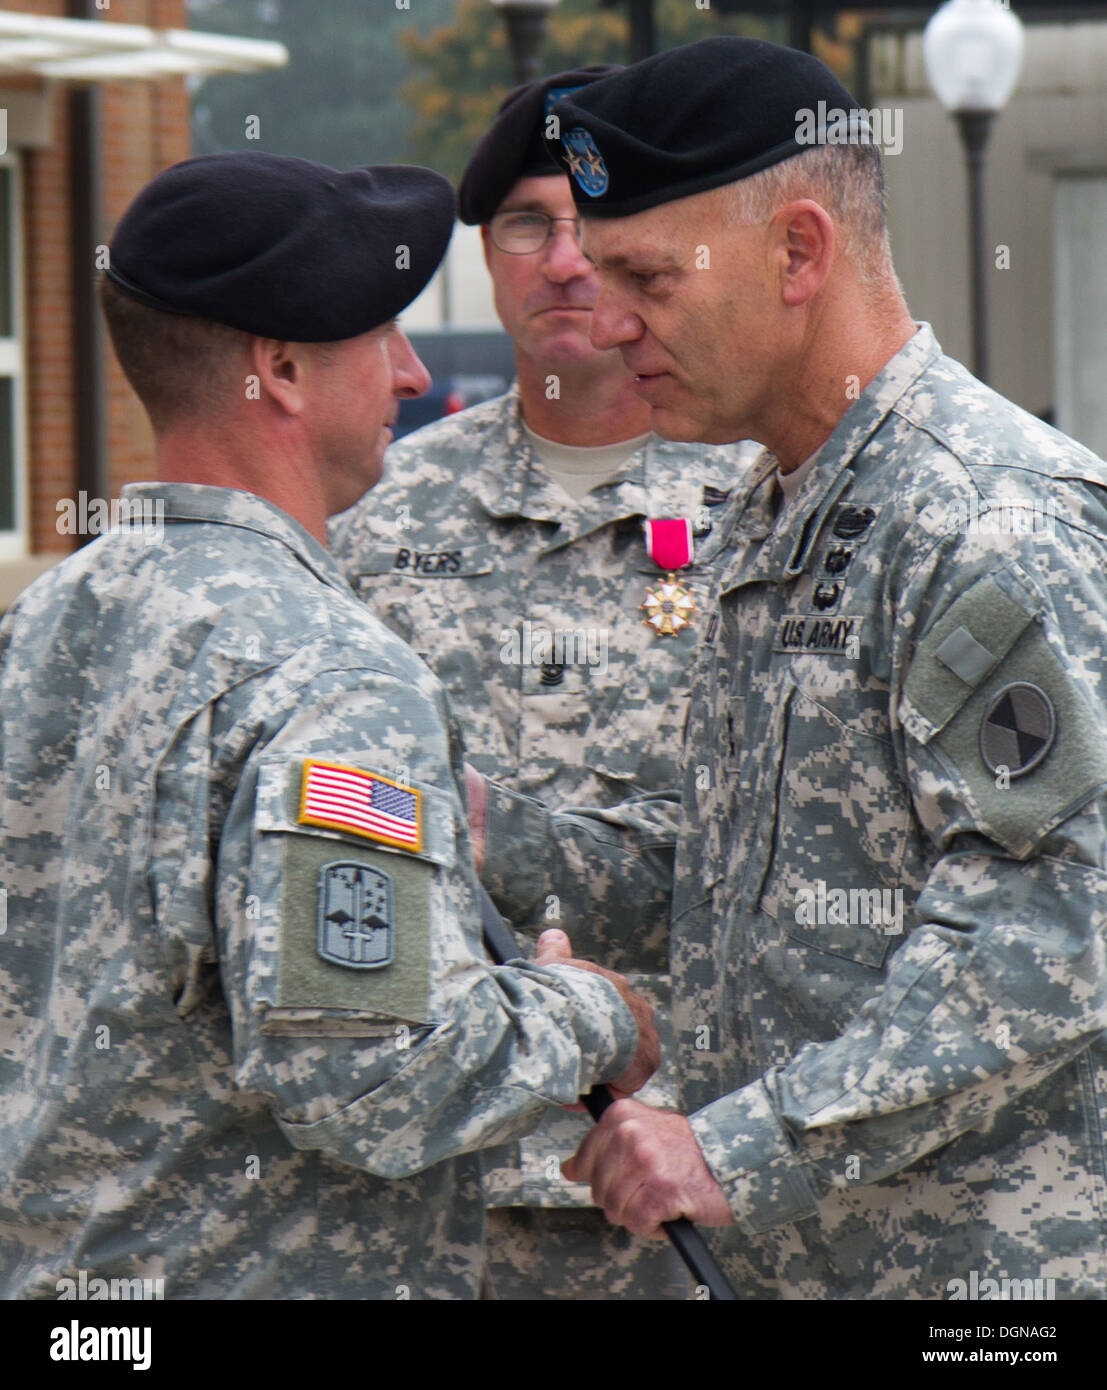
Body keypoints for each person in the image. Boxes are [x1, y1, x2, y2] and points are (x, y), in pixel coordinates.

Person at [486, 36, 1107, 1299]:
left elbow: (1053, 922)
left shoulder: (984, 520)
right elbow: (730, 859)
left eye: (646, 278)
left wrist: (743, 1144)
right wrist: (490, 831)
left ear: (800, 252)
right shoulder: (777, 504)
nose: (605, 327)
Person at [0, 151, 659, 1301]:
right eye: (382, 336)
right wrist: (592, 1011)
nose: (412, 375)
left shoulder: (46, 618)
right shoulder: (333, 670)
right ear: (285, 371)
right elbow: (369, 1079)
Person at [330, 69, 757, 1300]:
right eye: (527, 223)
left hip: (684, 1171)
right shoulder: (378, 508)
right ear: (486, 251)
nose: (565, 261)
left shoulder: (760, 505)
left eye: (591, 223)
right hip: (435, 1173)